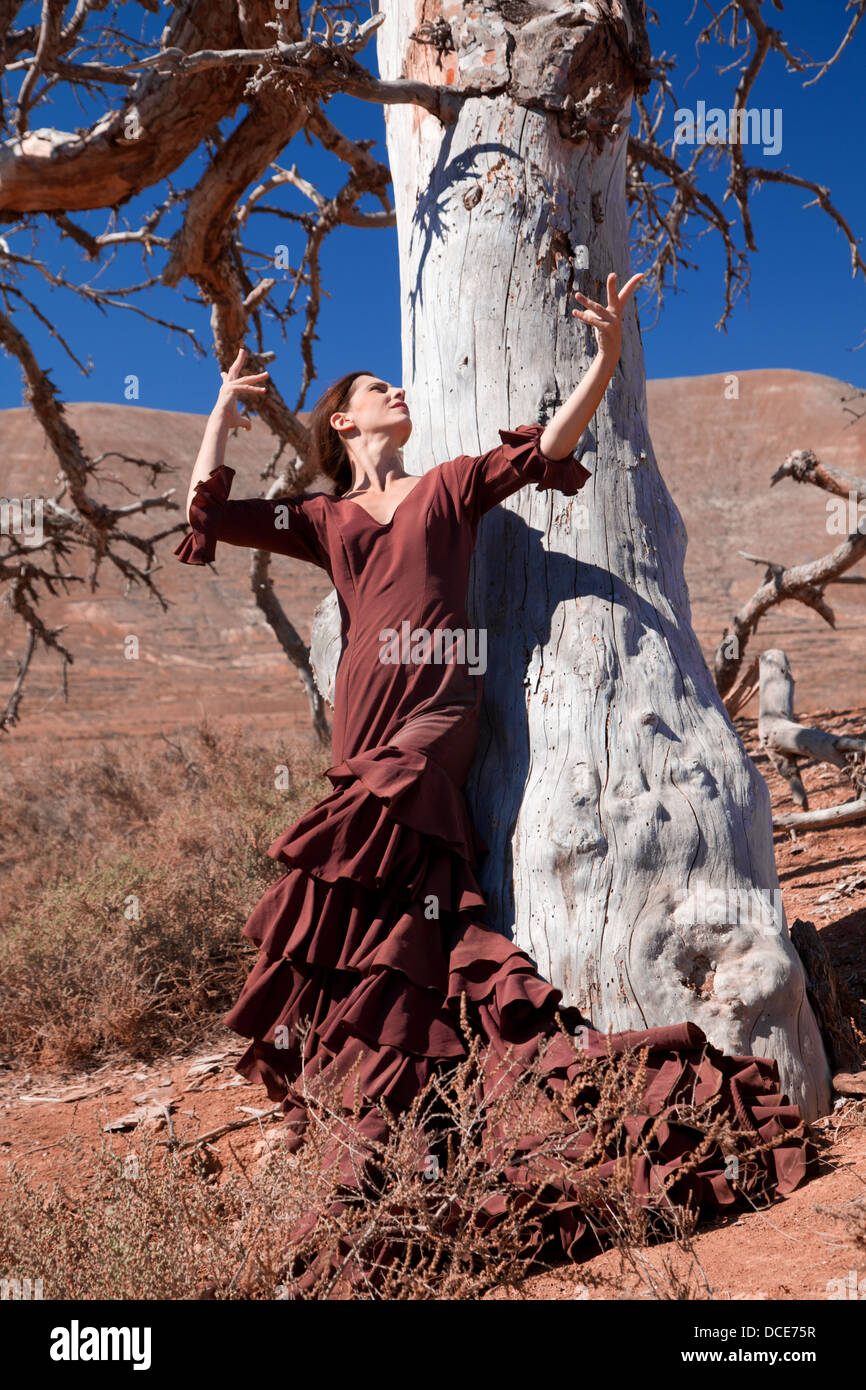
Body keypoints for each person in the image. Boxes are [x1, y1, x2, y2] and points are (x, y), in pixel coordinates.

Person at [174, 274, 815, 1274]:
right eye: (377, 388)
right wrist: (220, 405)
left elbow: (545, 451)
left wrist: (604, 361)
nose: (397, 394)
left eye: (397, 385)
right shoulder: (322, 518)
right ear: (340, 420)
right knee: (381, 927)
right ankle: (394, 1124)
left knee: (395, 883)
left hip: (433, 721)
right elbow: (204, 514)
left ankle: (417, 1114)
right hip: (360, 721)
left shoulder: (446, 487)